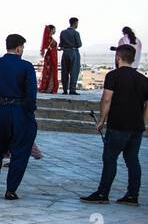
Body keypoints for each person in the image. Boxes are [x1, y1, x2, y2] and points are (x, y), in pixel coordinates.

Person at [81, 44, 148, 205]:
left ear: (118, 57)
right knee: (133, 160)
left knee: (110, 159)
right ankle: (132, 195)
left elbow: (106, 99)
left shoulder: (113, 76)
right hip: (136, 127)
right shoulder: (144, 79)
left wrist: (101, 120)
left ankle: (103, 193)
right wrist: (143, 122)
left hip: (118, 125)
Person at [0, 34, 38, 199]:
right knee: (20, 150)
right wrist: (29, 113)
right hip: (19, 111)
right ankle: (11, 189)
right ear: (19, 48)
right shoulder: (26, 66)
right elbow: (31, 93)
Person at [59, 17, 82, 94]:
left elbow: (60, 44)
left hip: (65, 52)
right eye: (77, 23)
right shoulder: (76, 33)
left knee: (64, 71)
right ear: (75, 23)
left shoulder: (63, 32)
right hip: (73, 52)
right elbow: (79, 44)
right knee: (74, 72)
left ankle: (65, 90)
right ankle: (72, 90)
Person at [39, 24, 59, 94]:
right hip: (50, 56)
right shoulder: (49, 38)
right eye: (54, 29)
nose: (55, 31)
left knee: (50, 71)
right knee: (50, 71)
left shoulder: (50, 38)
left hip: (51, 55)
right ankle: (49, 88)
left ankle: (49, 88)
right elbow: (49, 47)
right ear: (51, 29)